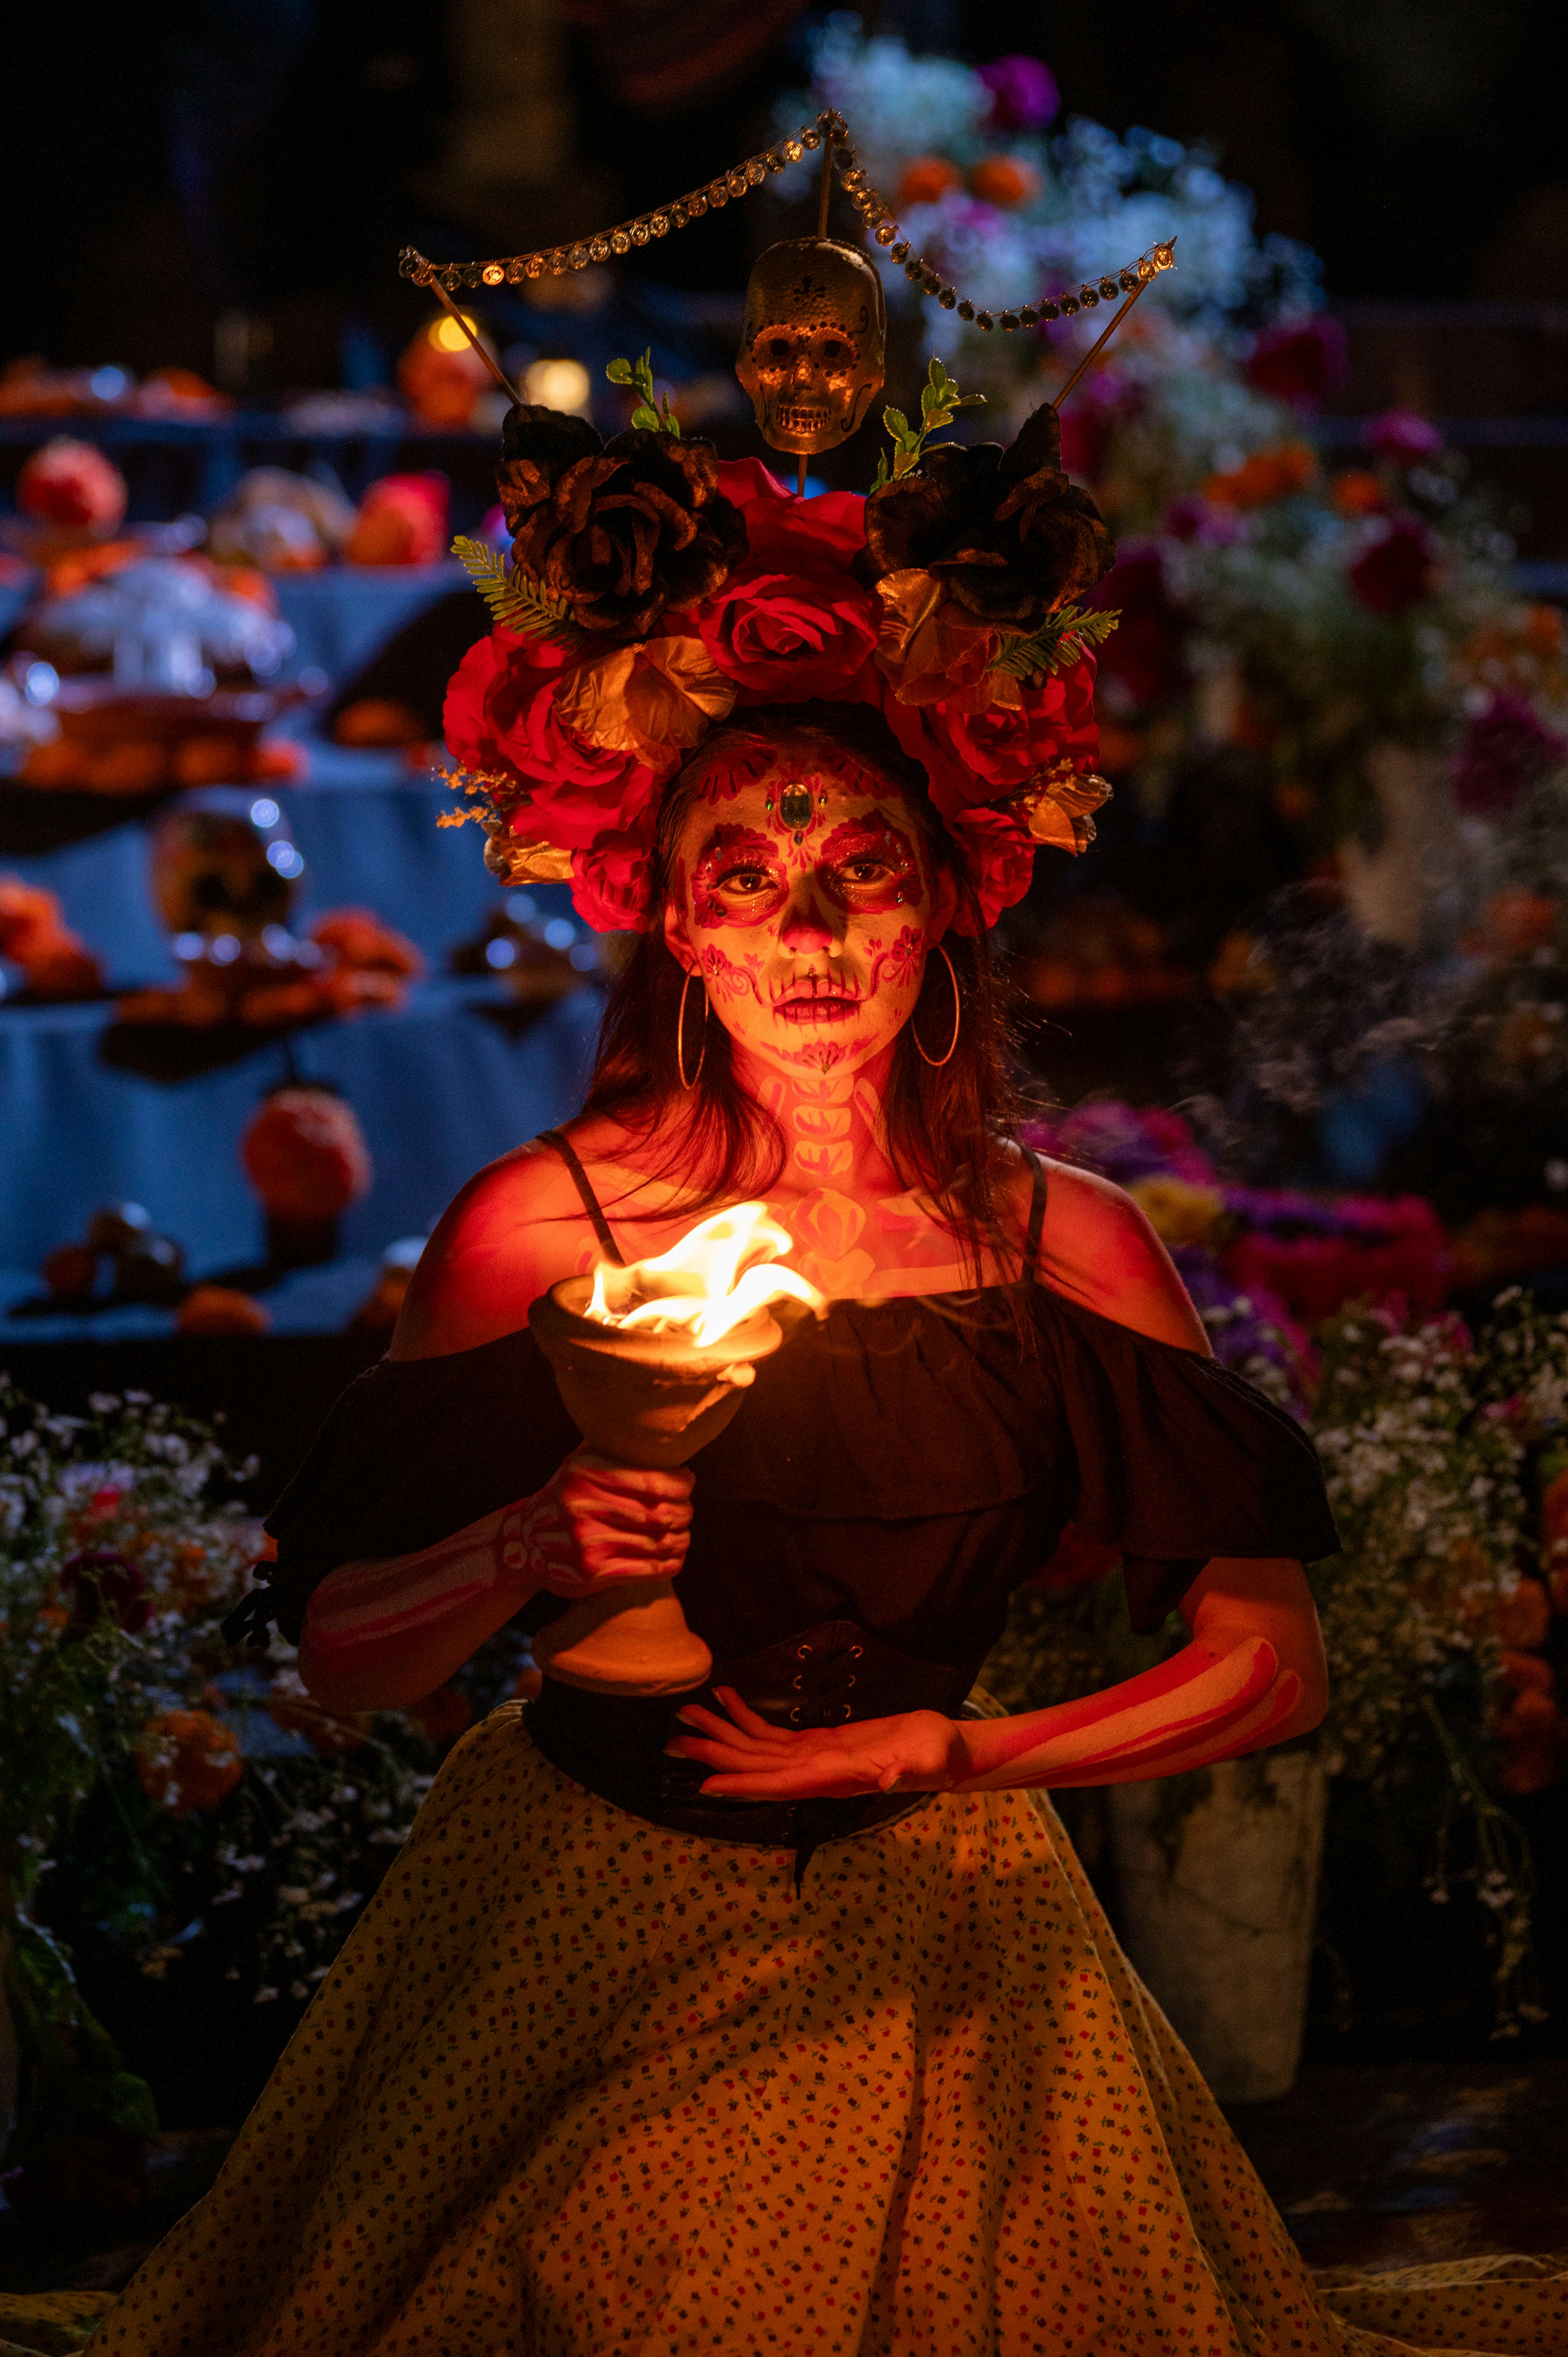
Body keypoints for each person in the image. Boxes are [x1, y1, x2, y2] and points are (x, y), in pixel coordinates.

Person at [91, 410, 1565, 2357]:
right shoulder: (538, 1232)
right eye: (751, 875)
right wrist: (522, 1541)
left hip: (942, 1911)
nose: (808, 926)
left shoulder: (1066, 1244)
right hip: (577, 1910)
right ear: (677, 925)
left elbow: (1272, 1661)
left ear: (941, 907)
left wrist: (954, 1754)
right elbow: (348, 1660)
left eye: (860, 868)